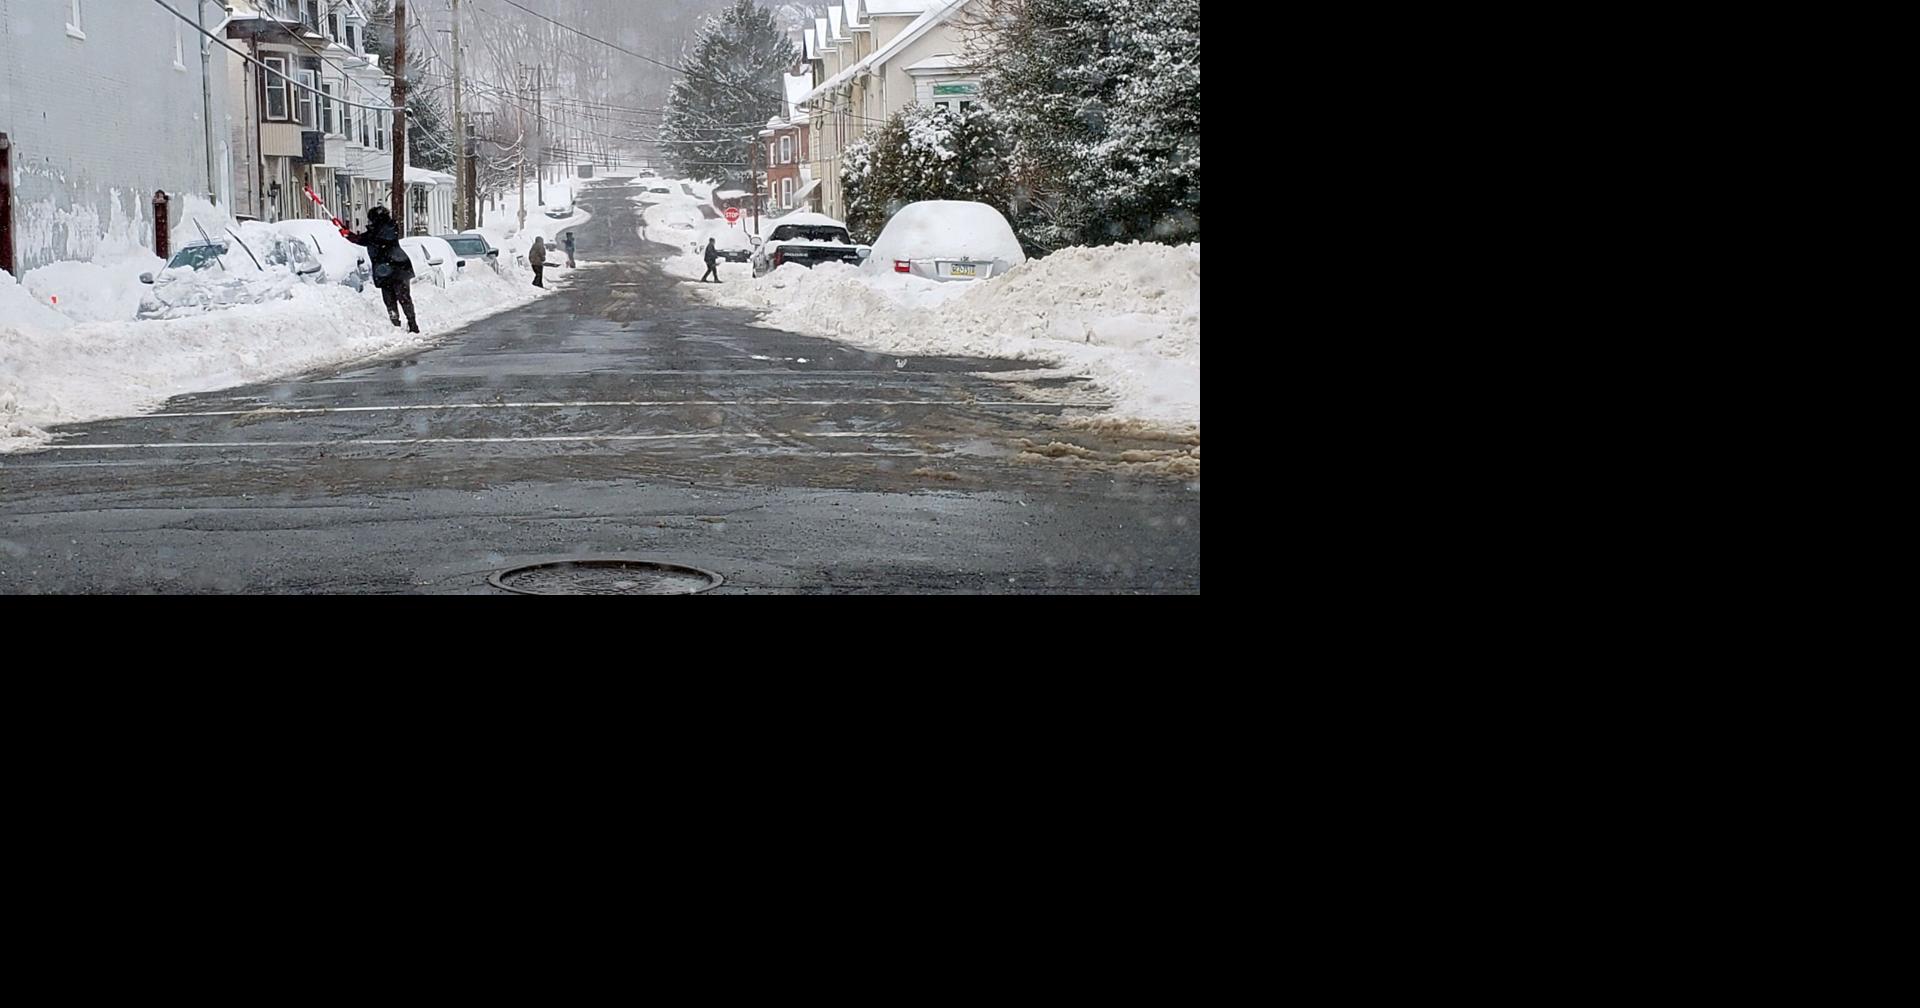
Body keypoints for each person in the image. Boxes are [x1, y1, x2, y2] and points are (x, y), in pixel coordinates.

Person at [342, 205, 418, 332]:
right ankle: (395, 324)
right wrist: (348, 234)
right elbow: (362, 240)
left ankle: (412, 323)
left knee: (403, 297)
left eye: (371, 219)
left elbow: (376, 239)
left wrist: (354, 236)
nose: (369, 222)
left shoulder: (389, 227)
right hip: (384, 271)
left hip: (398, 268)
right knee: (388, 299)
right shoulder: (375, 231)